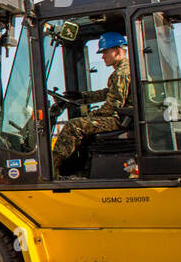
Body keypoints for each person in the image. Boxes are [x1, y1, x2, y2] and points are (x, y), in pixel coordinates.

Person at [51, 31, 131, 169]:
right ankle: (84, 167)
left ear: (118, 51)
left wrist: (91, 115)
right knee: (83, 122)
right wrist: (83, 96)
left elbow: (113, 106)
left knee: (73, 126)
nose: (103, 57)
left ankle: (52, 169)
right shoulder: (126, 69)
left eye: (105, 52)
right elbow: (109, 93)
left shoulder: (121, 73)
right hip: (124, 117)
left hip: (120, 119)